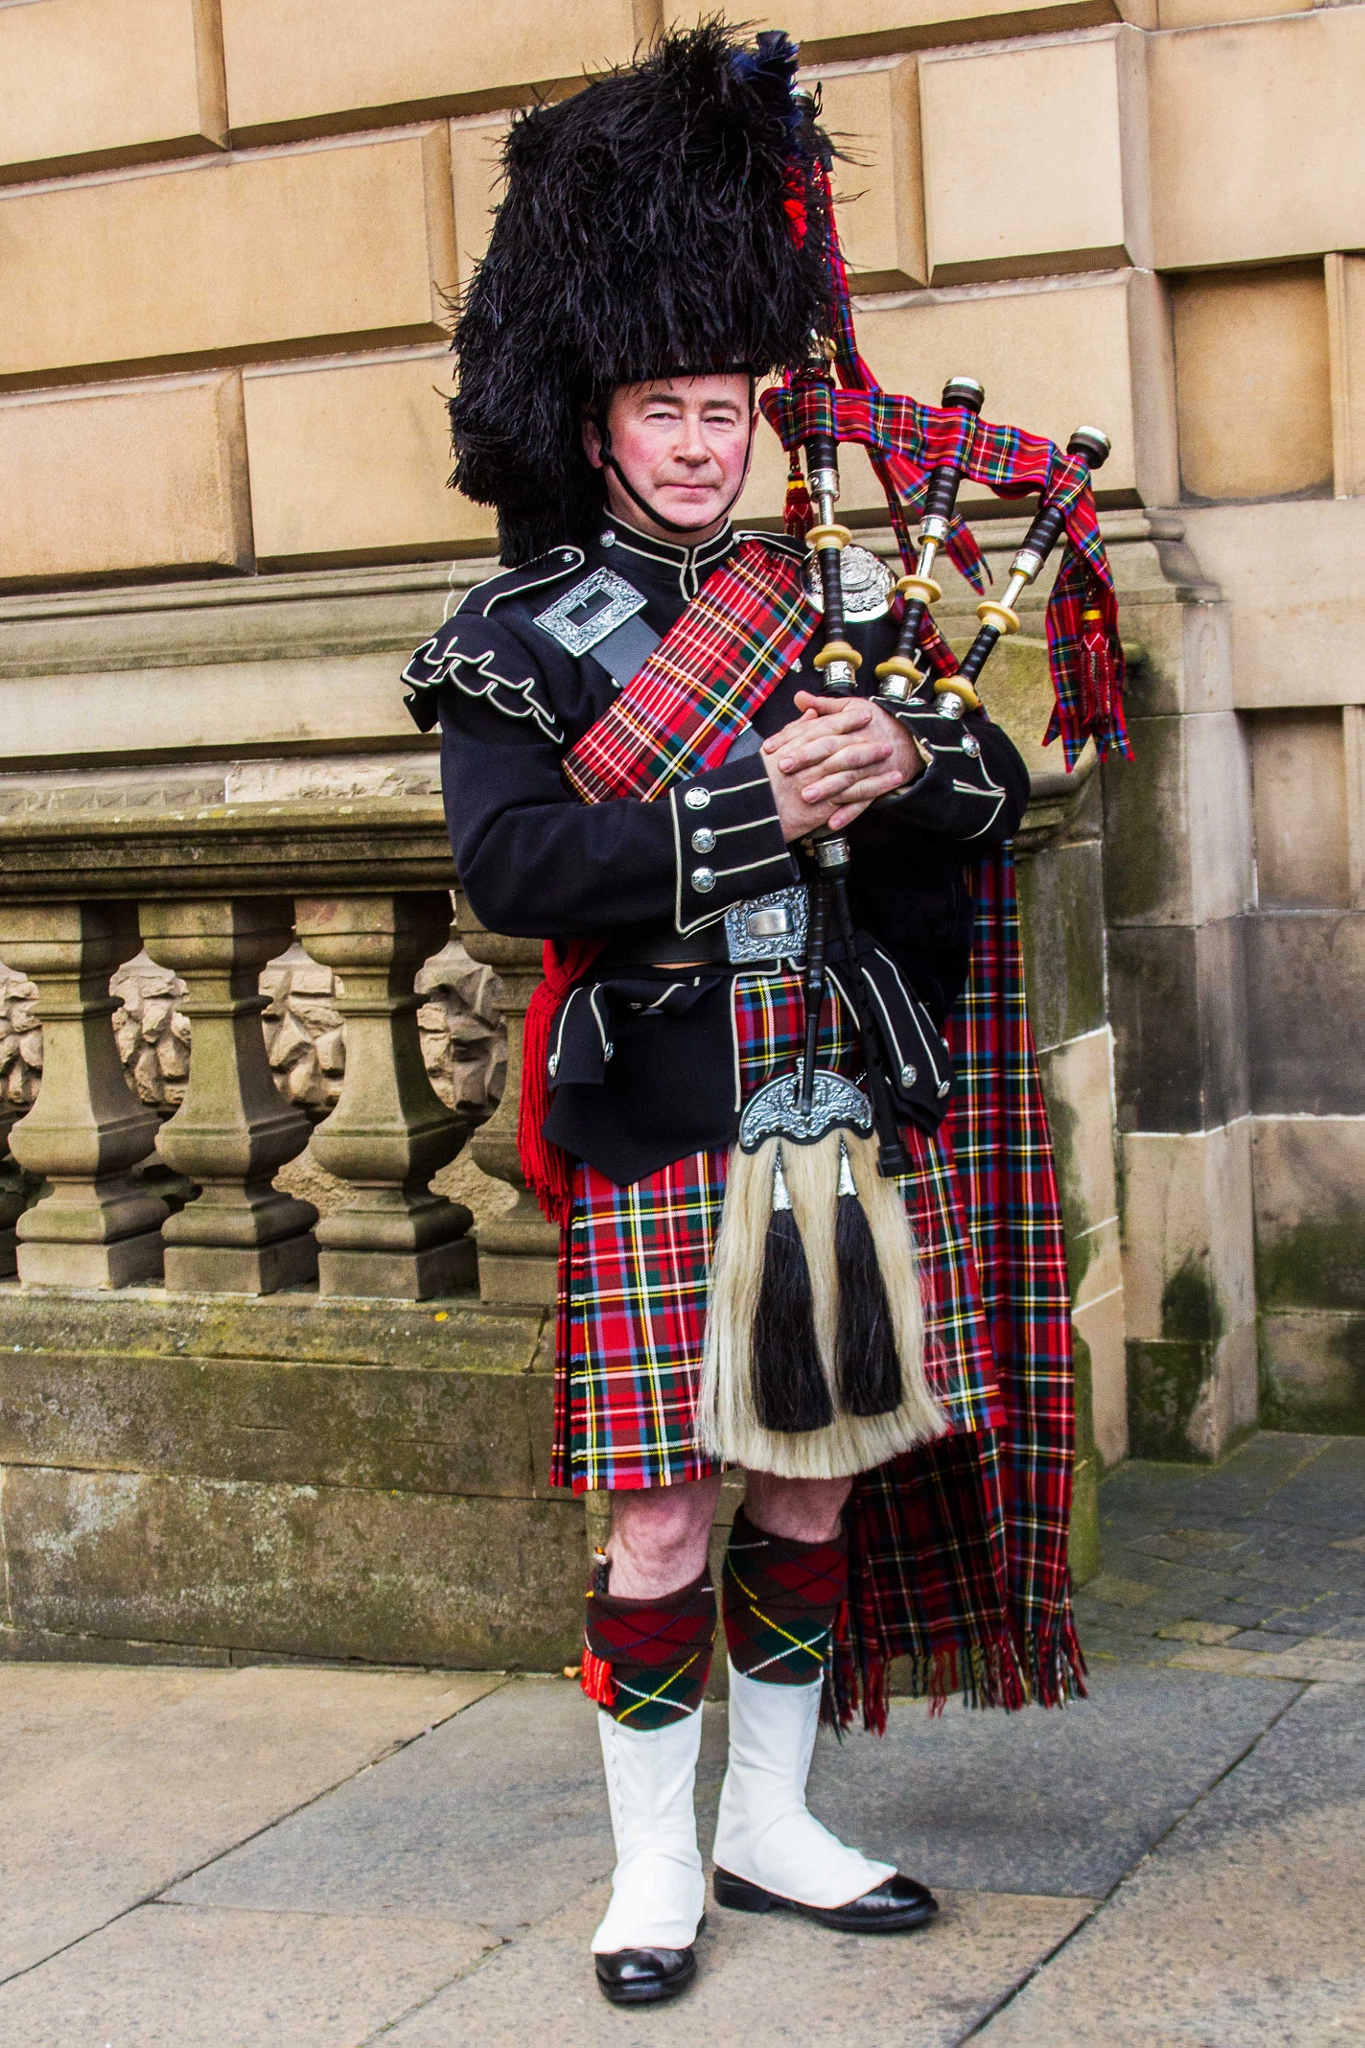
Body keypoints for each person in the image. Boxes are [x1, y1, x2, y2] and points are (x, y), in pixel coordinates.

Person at [404, 24, 1115, 2009]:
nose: (703, 443)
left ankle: (770, 1820)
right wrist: (747, 806)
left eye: (726, 405)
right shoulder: (514, 643)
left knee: (809, 1482)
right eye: (664, 407)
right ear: (597, 420)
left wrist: (894, 755)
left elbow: (994, 797)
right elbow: (513, 877)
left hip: (831, 1101)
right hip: (658, 1110)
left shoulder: (846, 605)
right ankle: (649, 1871)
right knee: (659, 1520)